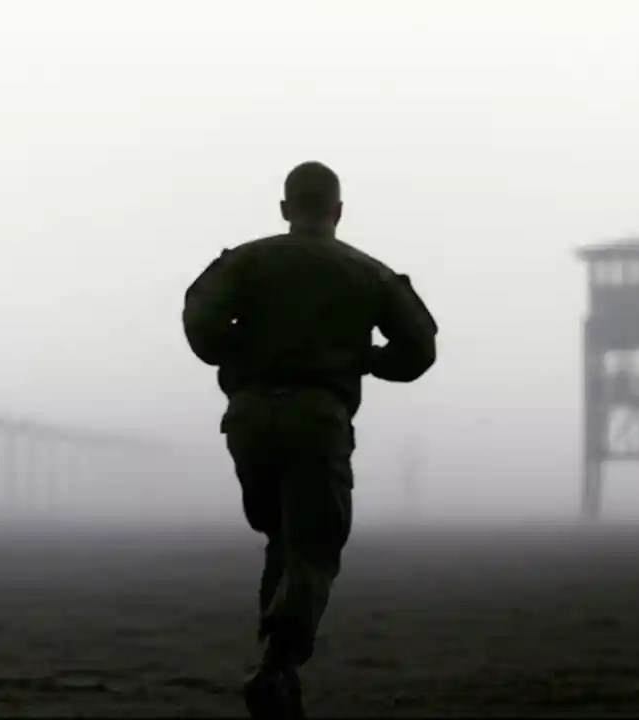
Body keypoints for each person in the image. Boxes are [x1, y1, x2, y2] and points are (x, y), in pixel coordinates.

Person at [182, 161, 438, 719]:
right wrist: (362, 358)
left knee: (280, 535)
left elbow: (200, 324)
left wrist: (245, 351)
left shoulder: (246, 261)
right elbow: (419, 349)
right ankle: (278, 664)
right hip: (317, 420)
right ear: (338, 211)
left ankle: (277, 664)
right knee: (313, 546)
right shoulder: (369, 274)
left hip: (249, 420)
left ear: (284, 208)